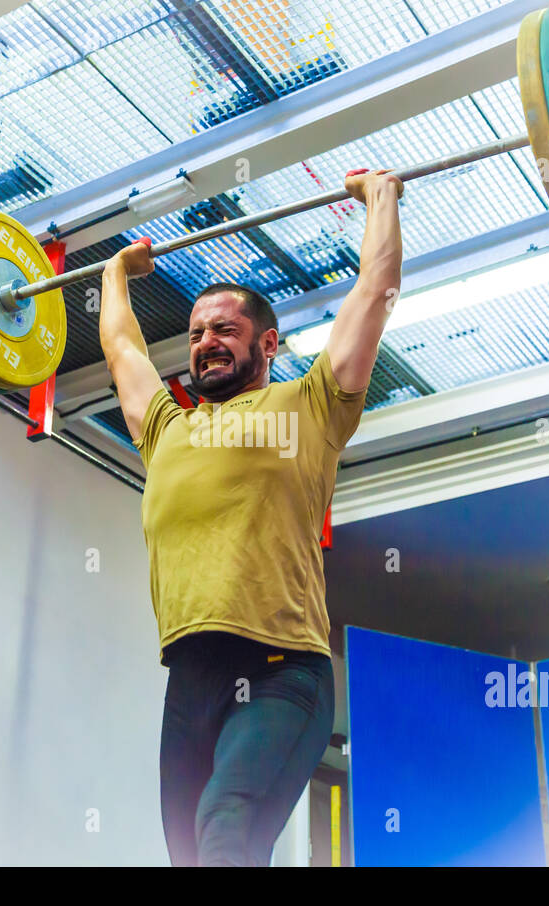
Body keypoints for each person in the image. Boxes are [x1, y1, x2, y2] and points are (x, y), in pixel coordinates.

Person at [99, 168, 404, 865]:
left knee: (226, 825)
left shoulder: (311, 405)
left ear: (268, 345)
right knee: (193, 853)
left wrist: (381, 200)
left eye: (226, 329)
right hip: (190, 678)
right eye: (198, 330)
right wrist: (117, 273)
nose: (206, 340)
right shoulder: (164, 429)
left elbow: (373, 295)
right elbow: (122, 348)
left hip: (280, 670)